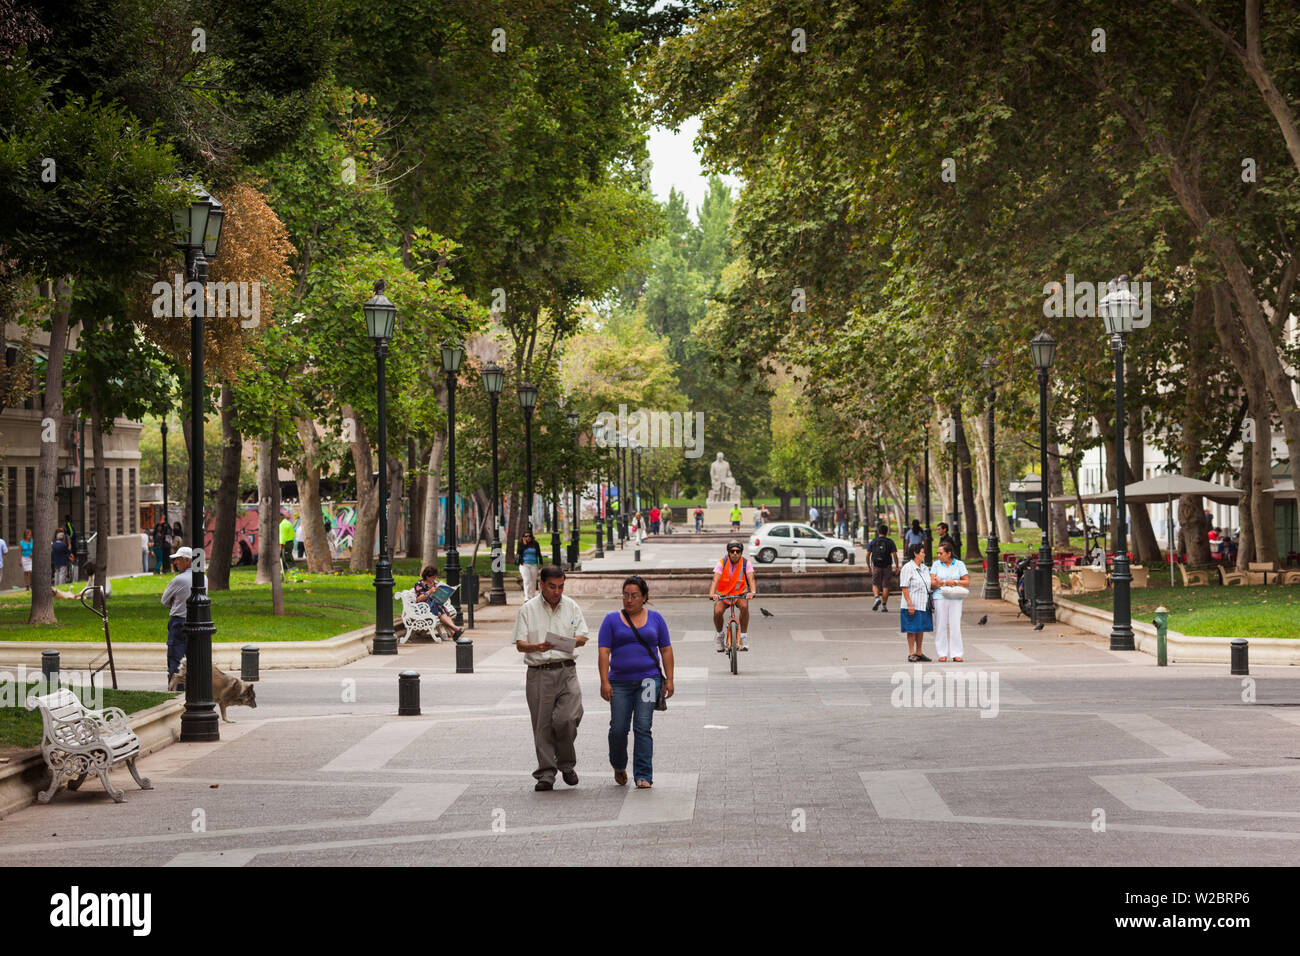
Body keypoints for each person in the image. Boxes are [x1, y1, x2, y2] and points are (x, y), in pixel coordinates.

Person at [512, 565, 589, 791]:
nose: (557, 591)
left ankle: (565, 763)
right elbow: (520, 644)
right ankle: (546, 773)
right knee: (542, 724)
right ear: (541, 585)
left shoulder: (571, 606)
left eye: (561, 586)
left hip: (567, 670)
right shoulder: (528, 609)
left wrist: (569, 641)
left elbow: (583, 636)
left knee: (567, 718)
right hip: (539, 673)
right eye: (552, 587)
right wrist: (537, 646)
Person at [598, 575, 674, 789]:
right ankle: (619, 764)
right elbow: (604, 652)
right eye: (625, 596)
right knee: (618, 728)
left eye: (634, 596)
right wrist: (604, 681)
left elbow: (666, 649)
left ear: (644, 597)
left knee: (642, 726)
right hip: (619, 683)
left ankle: (643, 774)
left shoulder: (656, 619)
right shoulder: (611, 620)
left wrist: (670, 679)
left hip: (649, 681)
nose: (629, 600)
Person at [710, 540, 756, 652]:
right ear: (728, 552)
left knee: (744, 607)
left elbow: (751, 578)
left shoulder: (746, 563)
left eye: (738, 551)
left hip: (740, 594)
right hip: (723, 595)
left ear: (741, 552)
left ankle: (744, 637)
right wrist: (712, 593)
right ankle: (720, 636)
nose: (735, 553)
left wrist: (753, 591)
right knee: (717, 612)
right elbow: (715, 579)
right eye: (732, 551)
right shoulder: (722, 562)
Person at [161, 546, 196, 688]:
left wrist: (176, 605)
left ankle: (176, 689)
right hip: (195, 621)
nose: (175, 562)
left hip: (178, 622)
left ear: (187, 560)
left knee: (176, 658)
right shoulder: (203, 578)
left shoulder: (179, 580)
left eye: (177, 559)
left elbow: (164, 601)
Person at [930, 541, 970, 662]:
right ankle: (941, 653)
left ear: (949, 553)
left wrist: (955, 582)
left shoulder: (959, 564)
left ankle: (957, 653)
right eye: (938, 553)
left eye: (941, 553)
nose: (938, 555)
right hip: (940, 596)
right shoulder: (936, 565)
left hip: (955, 597)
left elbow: (967, 582)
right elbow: (932, 582)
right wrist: (944, 582)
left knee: (955, 625)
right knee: (941, 624)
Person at [899, 542, 933, 662]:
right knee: (912, 628)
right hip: (912, 603)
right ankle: (911, 652)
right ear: (915, 553)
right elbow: (904, 586)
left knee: (920, 628)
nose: (924, 554)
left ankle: (919, 652)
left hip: (923, 603)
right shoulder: (908, 568)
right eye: (922, 552)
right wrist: (909, 603)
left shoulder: (924, 568)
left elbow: (928, 583)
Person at [413, 564, 465, 639]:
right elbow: (418, 599)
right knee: (440, 610)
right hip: (424, 607)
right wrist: (430, 591)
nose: (434, 578)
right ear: (427, 576)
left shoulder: (435, 583)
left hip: (435, 604)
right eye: (432, 577)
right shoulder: (420, 584)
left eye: (435, 576)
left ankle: (453, 632)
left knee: (442, 609)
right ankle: (455, 629)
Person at [868, 524, 899, 611]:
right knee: (886, 585)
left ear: (878, 532)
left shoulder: (873, 541)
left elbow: (868, 554)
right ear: (887, 532)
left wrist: (868, 566)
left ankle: (877, 597)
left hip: (876, 565)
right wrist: (897, 566)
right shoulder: (890, 542)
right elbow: (895, 555)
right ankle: (884, 606)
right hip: (887, 566)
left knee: (875, 583)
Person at [517, 530, 543, 601]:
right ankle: (526, 597)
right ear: (523, 537)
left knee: (533, 581)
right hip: (524, 565)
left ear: (532, 537)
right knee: (526, 580)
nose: (528, 537)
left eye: (529, 536)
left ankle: (532, 596)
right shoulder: (520, 544)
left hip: (534, 565)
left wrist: (540, 563)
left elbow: (539, 554)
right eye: (526, 536)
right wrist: (524, 545)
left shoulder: (535, 544)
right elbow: (518, 552)